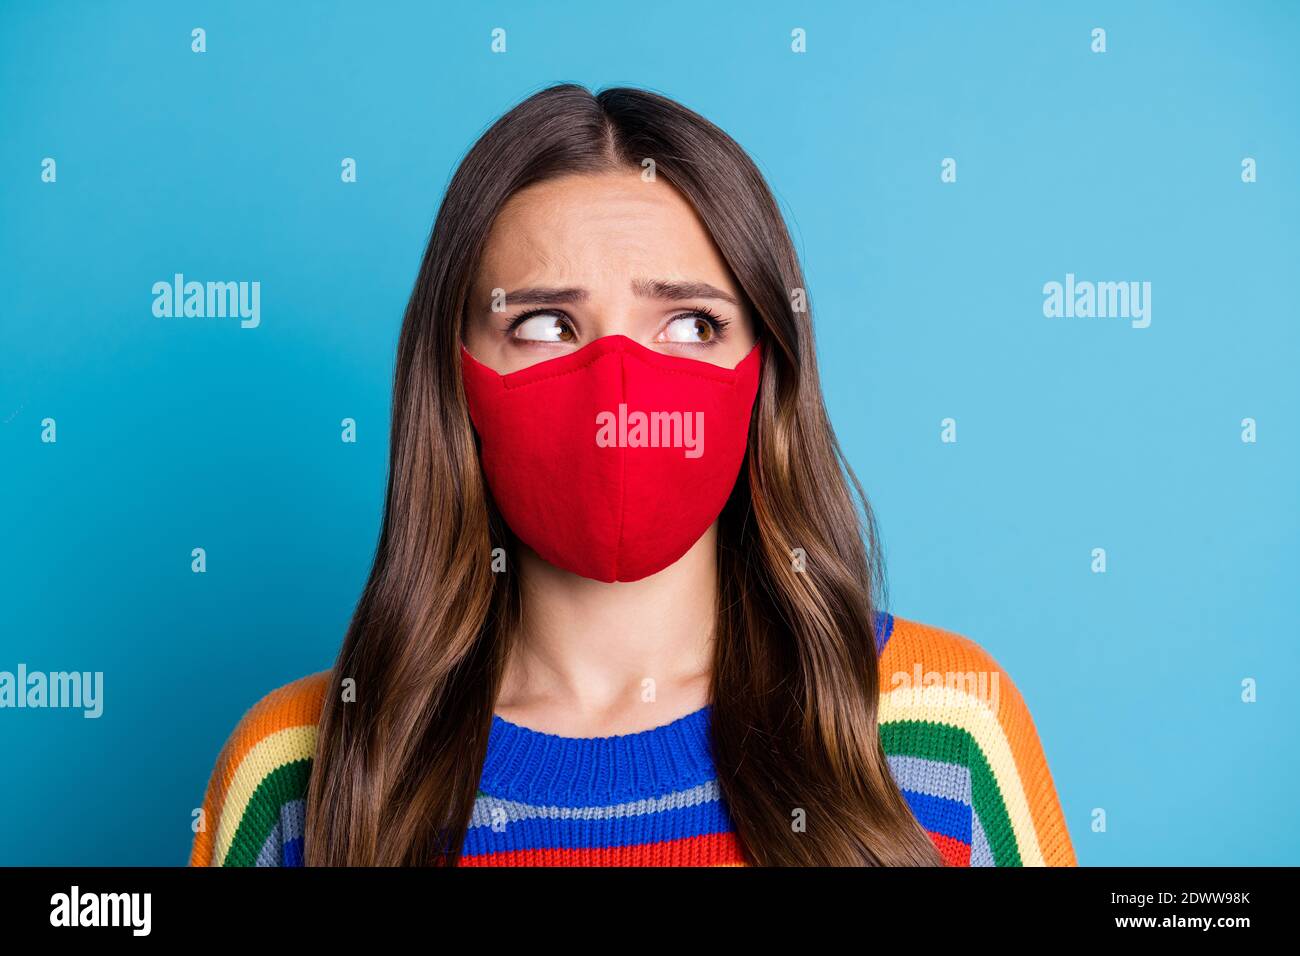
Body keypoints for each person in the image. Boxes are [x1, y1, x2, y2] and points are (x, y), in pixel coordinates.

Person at [190, 83, 1075, 867]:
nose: (618, 390)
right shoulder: (296, 769)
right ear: (453, 377)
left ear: (764, 371)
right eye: (542, 324)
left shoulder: (947, 728)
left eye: (690, 324)